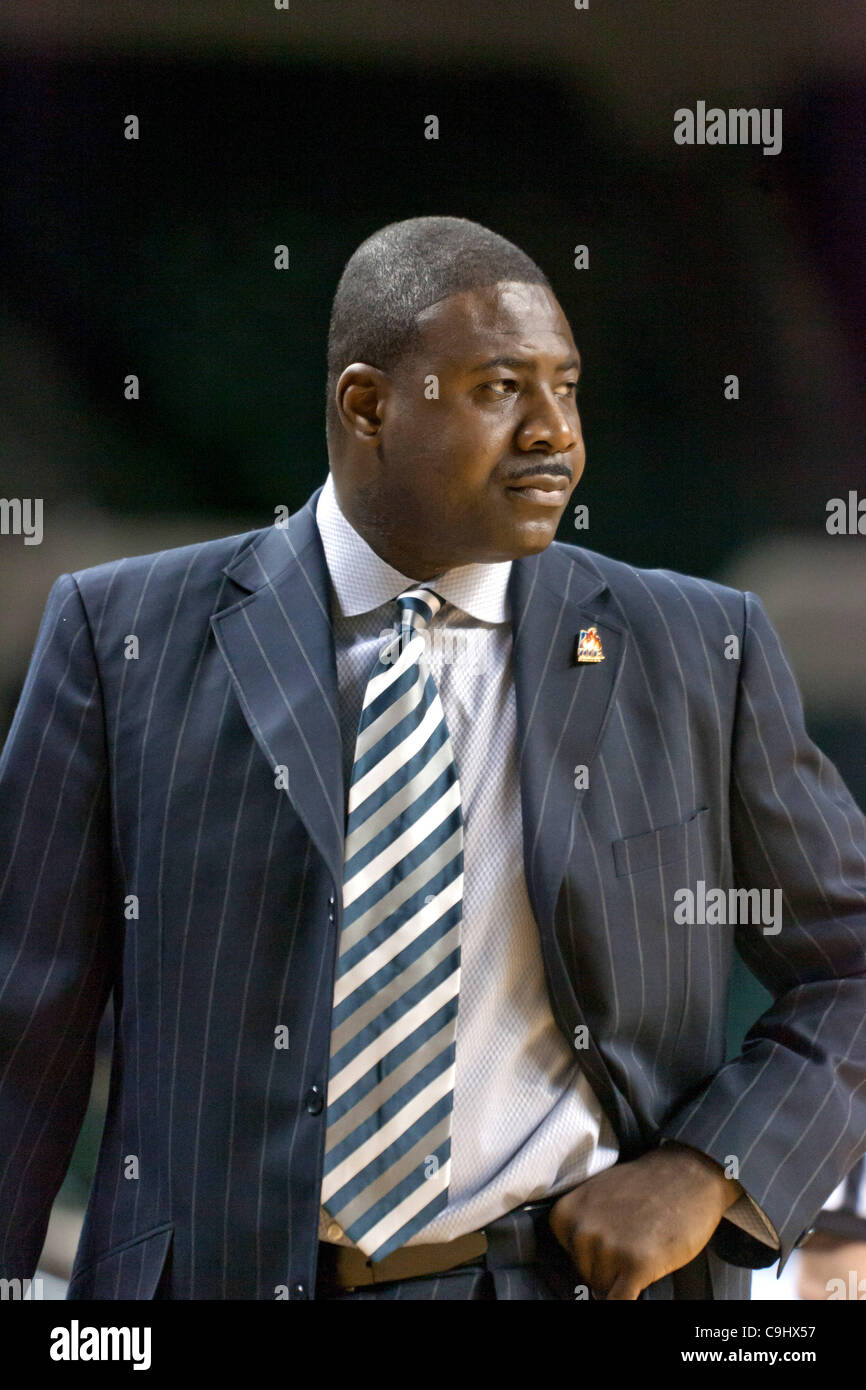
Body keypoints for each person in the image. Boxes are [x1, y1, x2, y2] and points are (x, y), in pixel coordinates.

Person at [1, 215, 864, 1302]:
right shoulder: (119, 636)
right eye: (502, 389)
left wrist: (704, 1171)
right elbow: (19, 1027)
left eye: (567, 387)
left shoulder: (699, 647)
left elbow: (850, 960)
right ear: (368, 405)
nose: (554, 432)